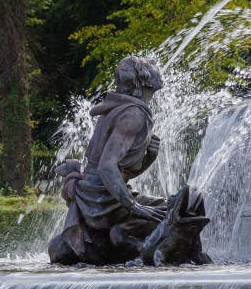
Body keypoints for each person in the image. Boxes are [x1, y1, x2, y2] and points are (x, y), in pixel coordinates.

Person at [48, 56, 167, 265]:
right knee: (171, 210)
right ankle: (136, 246)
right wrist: (133, 206)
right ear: (144, 80)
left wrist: (150, 157)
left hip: (95, 194)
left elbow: (120, 171)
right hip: (104, 200)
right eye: (151, 66)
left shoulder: (117, 109)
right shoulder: (134, 114)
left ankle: (118, 245)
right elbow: (106, 168)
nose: (157, 67)